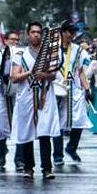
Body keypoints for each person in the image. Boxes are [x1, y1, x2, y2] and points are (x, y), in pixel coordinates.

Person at [10, 21, 60, 179]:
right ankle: (28, 167)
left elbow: (54, 75)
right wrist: (30, 73)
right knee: (26, 132)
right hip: (26, 96)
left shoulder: (48, 54)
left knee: (45, 131)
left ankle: (47, 168)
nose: (36, 35)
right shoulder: (20, 54)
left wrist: (44, 75)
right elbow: (14, 77)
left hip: (45, 96)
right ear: (28, 34)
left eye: (39, 32)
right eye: (33, 32)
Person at [56, 22, 91, 163]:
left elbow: (80, 71)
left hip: (75, 90)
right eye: (70, 32)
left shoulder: (78, 50)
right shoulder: (53, 50)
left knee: (80, 120)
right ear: (63, 32)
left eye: (74, 32)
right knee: (57, 123)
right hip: (57, 89)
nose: (72, 35)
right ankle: (58, 154)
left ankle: (72, 147)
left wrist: (87, 88)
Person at [0, 30, 19, 169]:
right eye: (12, 39)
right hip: (1, 94)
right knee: (1, 123)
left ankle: (20, 158)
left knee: (20, 123)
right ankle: (2, 151)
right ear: (5, 41)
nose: (14, 42)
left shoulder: (21, 54)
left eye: (16, 40)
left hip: (17, 94)